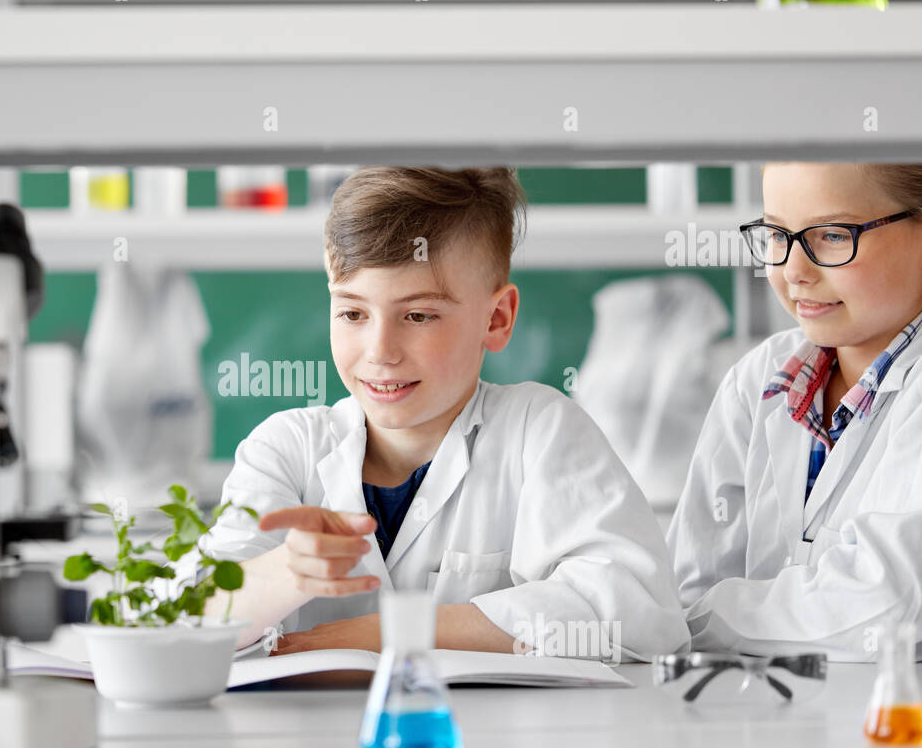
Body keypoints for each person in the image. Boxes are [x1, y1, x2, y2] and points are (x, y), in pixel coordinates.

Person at [192, 166, 690, 660]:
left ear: (496, 319)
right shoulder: (286, 448)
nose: (380, 351)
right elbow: (192, 620)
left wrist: (379, 635)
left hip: (504, 740)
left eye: (418, 315)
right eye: (352, 313)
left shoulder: (539, 430)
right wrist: (284, 572)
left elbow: (638, 614)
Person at [668, 162, 922, 660]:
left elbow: (886, 601)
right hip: (762, 721)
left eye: (831, 235)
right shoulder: (758, 379)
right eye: (778, 234)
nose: (793, 271)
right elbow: (687, 581)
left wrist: (699, 620)